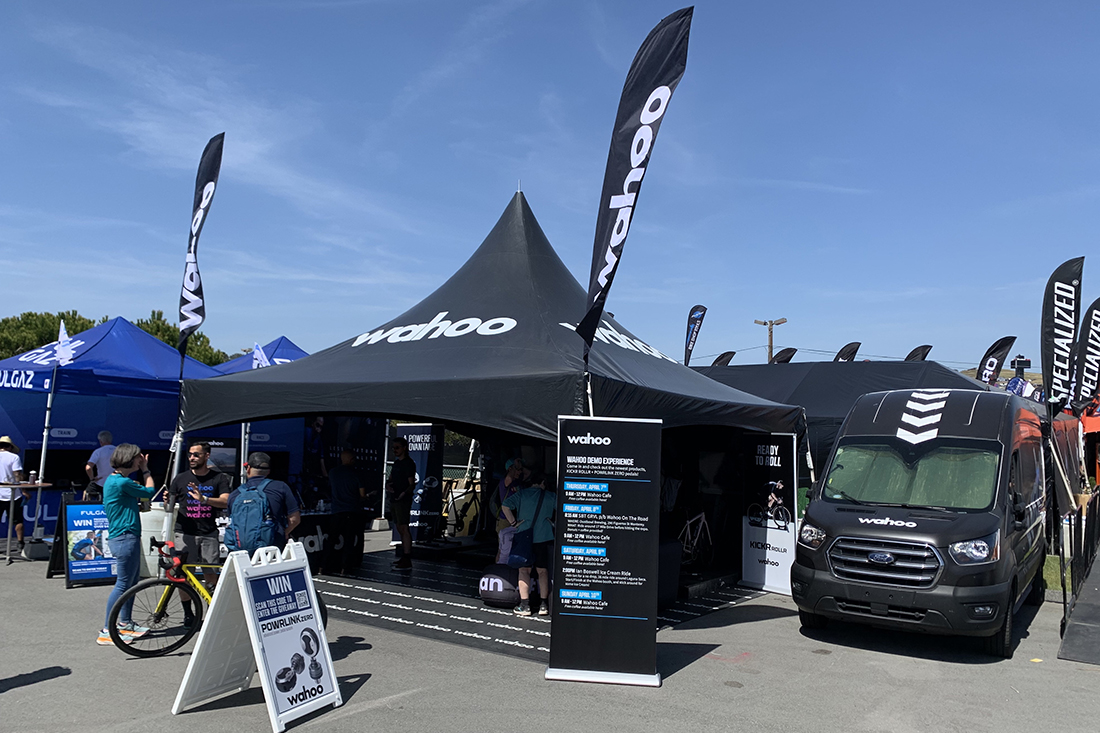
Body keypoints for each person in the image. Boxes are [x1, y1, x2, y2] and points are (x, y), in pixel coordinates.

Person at [98, 443, 156, 646]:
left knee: (130, 584)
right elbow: (150, 491)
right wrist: (146, 469)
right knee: (123, 584)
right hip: (125, 537)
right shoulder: (122, 482)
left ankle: (125, 623)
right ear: (130, 460)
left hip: (124, 536)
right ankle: (107, 630)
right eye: (137, 458)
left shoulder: (116, 481)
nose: (140, 460)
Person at [167, 441, 230, 591]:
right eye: (190, 454)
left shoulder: (219, 478)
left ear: (207, 456)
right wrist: (166, 501)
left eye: (196, 454)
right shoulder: (180, 478)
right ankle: (189, 613)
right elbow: (168, 508)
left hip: (209, 533)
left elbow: (226, 501)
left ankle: (211, 610)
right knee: (184, 575)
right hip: (185, 532)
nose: (192, 458)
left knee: (211, 573)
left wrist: (204, 499)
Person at [210, 452, 300, 551]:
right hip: (272, 549)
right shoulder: (280, 487)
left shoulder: (235, 494)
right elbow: (294, 519)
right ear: (269, 471)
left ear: (248, 469)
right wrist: (285, 532)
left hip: (240, 551)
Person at [501, 473, 556, 616]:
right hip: (543, 538)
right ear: (542, 482)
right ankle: (544, 605)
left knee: (523, 571)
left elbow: (505, 505)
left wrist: (514, 523)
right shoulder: (550, 496)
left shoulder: (521, 494)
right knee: (542, 571)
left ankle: (525, 606)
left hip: (524, 537)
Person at [327, 448, 368, 574]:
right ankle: (345, 567)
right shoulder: (356, 474)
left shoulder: (333, 472)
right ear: (351, 459)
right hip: (352, 510)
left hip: (336, 510)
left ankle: (324, 566)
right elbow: (362, 494)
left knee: (331, 539)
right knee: (349, 540)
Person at [386, 437, 416, 569]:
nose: (395, 450)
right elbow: (390, 478)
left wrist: (404, 493)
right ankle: (404, 555)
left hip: (402, 500)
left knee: (404, 527)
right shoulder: (396, 463)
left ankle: (407, 557)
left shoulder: (408, 463)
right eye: (393, 448)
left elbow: (411, 484)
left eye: (397, 447)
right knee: (399, 527)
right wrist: (388, 485)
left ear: (404, 448)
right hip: (394, 498)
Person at [493, 458, 527, 563]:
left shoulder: (518, 482)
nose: (519, 472)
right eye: (517, 469)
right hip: (505, 520)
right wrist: (514, 467)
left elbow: (528, 474)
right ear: (510, 469)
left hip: (517, 519)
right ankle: (498, 569)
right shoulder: (504, 482)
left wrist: (520, 466)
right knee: (502, 549)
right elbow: (509, 478)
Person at [0, 436, 26, 550]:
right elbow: (17, 477)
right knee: (18, 521)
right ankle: (20, 543)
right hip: (13, 494)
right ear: (10, 447)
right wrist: (24, 490)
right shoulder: (14, 457)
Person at [84, 431, 116, 501]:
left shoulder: (98, 451)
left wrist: (92, 479)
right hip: (116, 482)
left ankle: (85, 509)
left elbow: (88, 468)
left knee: (86, 493)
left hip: (101, 482)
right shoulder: (118, 451)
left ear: (100, 441)